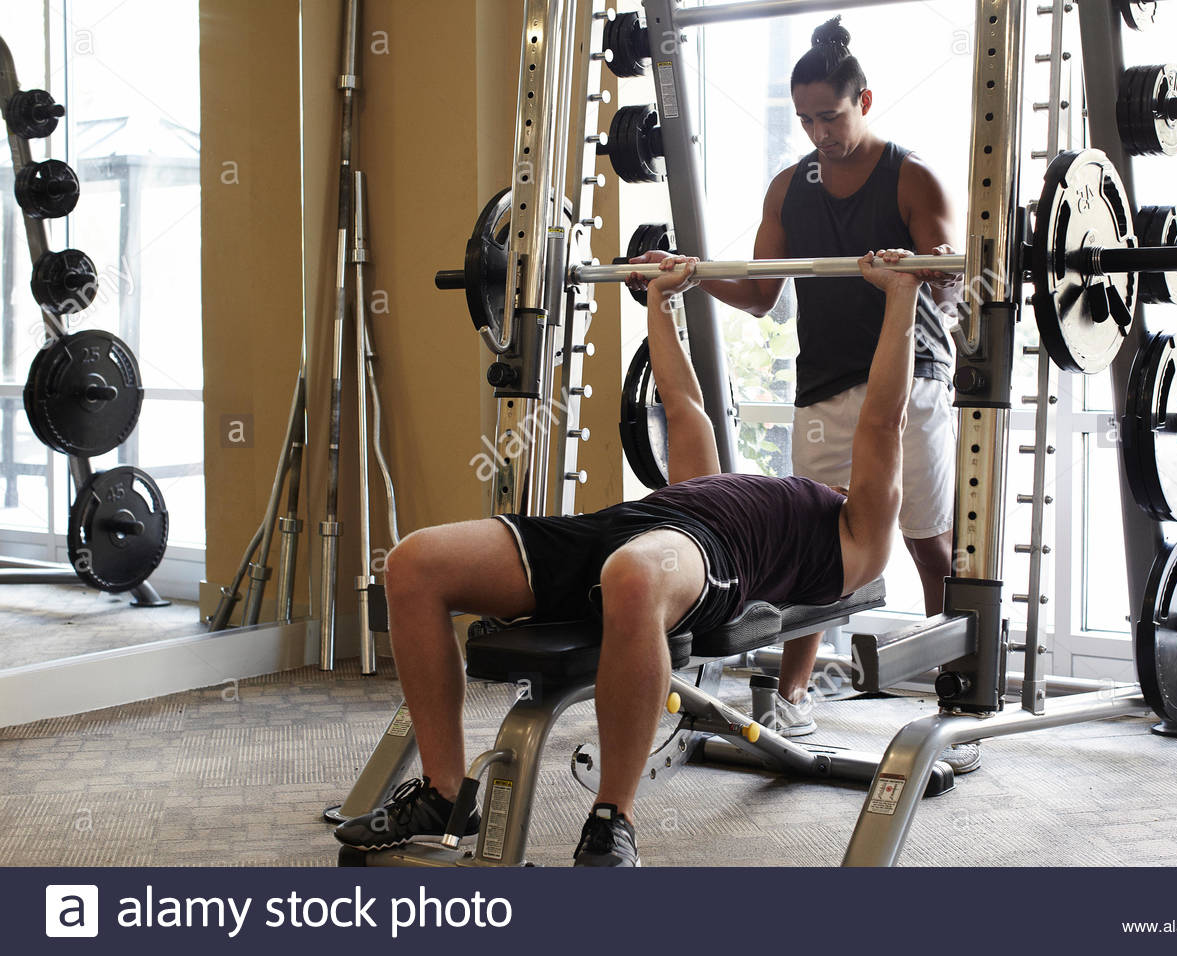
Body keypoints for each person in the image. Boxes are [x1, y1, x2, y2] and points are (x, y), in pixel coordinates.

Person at [333, 248, 928, 866]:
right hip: (622, 526)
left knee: (635, 575)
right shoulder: (719, 484)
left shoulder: (859, 539)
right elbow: (683, 405)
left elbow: (882, 421)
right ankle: (443, 791)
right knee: (413, 562)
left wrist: (901, 294)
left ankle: (611, 818)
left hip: (702, 557)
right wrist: (661, 300)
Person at [627, 17, 973, 769]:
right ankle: (793, 697)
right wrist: (690, 272)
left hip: (909, 377)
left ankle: (958, 696)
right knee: (821, 543)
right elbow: (757, 294)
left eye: (832, 116)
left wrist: (917, 269)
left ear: (866, 100)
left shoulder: (912, 177)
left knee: (925, 540)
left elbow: (955, 282)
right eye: (807, 119)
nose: (820, 132)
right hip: (822, 382)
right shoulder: (790, 188)